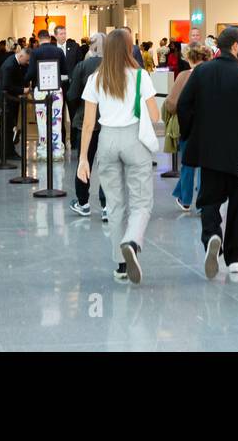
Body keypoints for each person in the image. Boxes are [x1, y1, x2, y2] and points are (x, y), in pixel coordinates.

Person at [178, 26, 238, 279]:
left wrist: (193, 134)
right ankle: (235, 257)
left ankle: (212, 235)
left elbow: (184, 105)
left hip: (210, 153)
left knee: (209, 200)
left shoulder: (202, 71)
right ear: (235, 47)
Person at [77, 28, 159, 284]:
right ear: (128, 48)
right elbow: (155, 116)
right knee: (141, 201)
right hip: (134, 138)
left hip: (107, 140)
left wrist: (82, 159)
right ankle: (132, 242)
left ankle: (121, 265)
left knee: (114, 205)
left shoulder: (95, 79)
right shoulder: (140, 76)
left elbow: (88, 124)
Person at [167, 44, 212, 210]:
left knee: (187, 163)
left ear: (189, 58)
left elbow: (171, 104)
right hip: (208, 126)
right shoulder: (212, 75)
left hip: (188, 127)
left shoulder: (184, 76)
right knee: (204, 166)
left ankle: (185, 199)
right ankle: (202, 202)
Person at [67, 33, 107, 217]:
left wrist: (78, 112)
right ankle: (107, 206)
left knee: (84, 160)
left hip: (86, 122)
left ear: (91, 47)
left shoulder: (82, 66)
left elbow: (72, 95)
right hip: (109, 122)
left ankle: (83, 202)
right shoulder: (113, 67)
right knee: (108, 165)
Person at [29, 29, 67, 159]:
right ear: (50, 38)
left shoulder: (35, 52)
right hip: (56, 89)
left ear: (39, 39)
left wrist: (25, 82)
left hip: (40, 89)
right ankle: (57, 152)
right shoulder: (59, 51)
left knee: (42, 120)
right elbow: (65, 70)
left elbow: (32, 71)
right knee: (57, 119)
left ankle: (44, 151)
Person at [0, 44, 30, 160]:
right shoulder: (9, 65)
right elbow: (6, 85)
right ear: (21, 56)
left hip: (11, 98)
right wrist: (22, 90)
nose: (27, 63)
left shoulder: (16, 63)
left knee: (10, 125)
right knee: (6, 126)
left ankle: (9, 151)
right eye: (26, 60)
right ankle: (4, 153)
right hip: (5, 99)